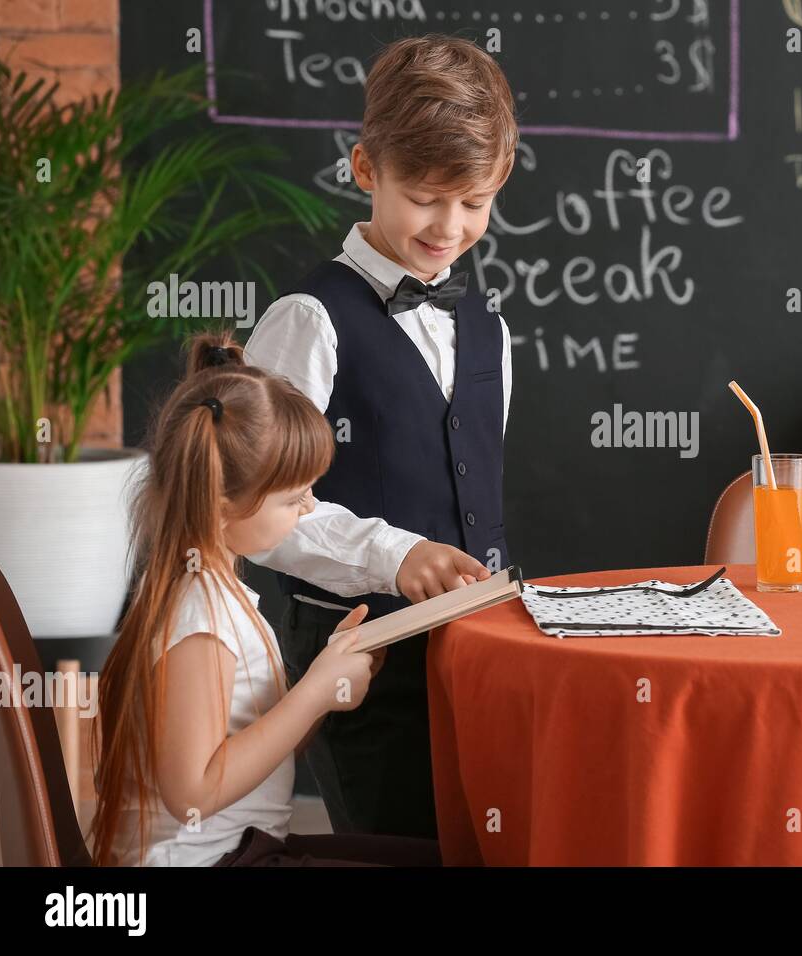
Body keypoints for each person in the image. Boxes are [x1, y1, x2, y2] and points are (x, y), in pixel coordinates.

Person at [244, 33, 519, 838]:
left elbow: (469, 481)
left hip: (474, 651)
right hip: (355, 652)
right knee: (391, 846)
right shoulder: (308, 320)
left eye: (474, 203)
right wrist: (395, 556)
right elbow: (260, 513)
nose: (448, 226)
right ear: (367, 170)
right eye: (426, 197)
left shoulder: (491, 332)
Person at [90, 333, 440, 866]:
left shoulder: (212, 592)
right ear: (221, 504)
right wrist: (315, 693)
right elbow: (192, 795)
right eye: (293, 496)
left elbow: (251, 756)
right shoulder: (200, 618)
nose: (309, 509)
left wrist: (324, 689)